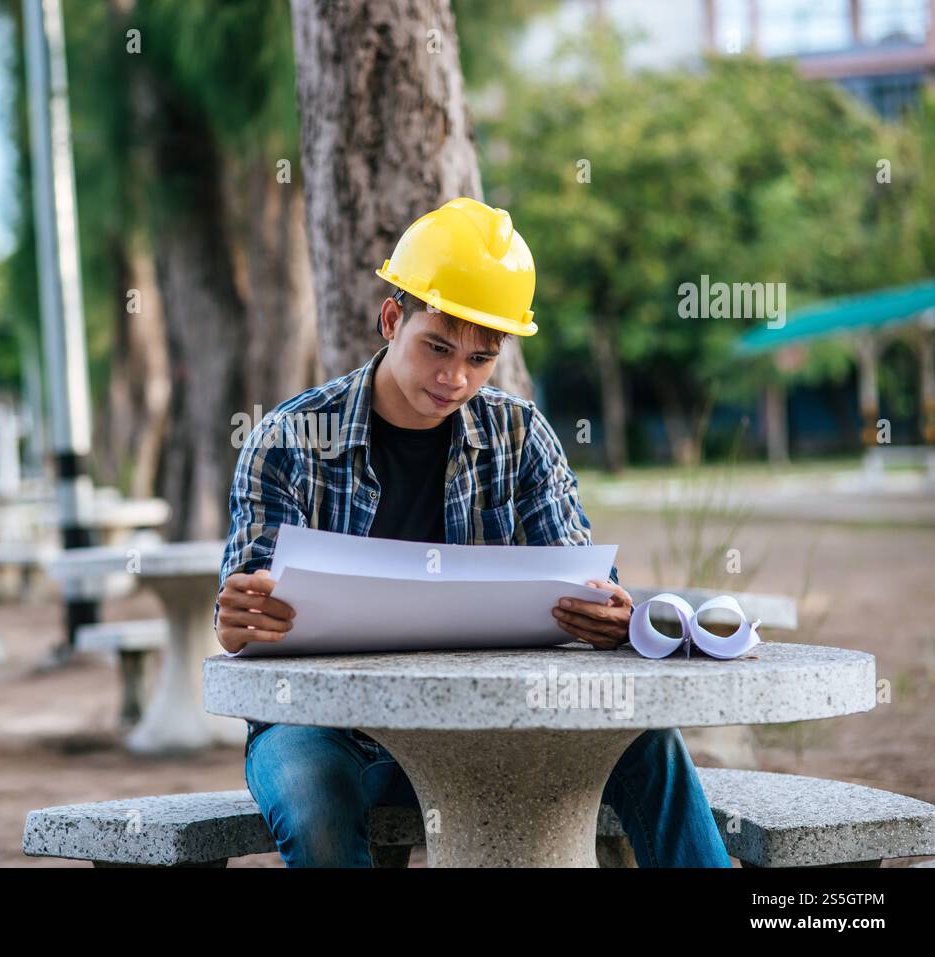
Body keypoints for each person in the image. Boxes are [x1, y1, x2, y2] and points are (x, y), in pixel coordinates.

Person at [214, 197, 730, 868]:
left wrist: (610, 614)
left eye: (480, 358)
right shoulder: (287, 440)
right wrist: (239, 621)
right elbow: (241, 627)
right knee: (315, 804)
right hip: (326, 730)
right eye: (437, 346)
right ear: (392, 318)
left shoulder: (523, 437)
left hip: (492, 720)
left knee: (649, 738)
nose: (455, 377)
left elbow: (585, 579)